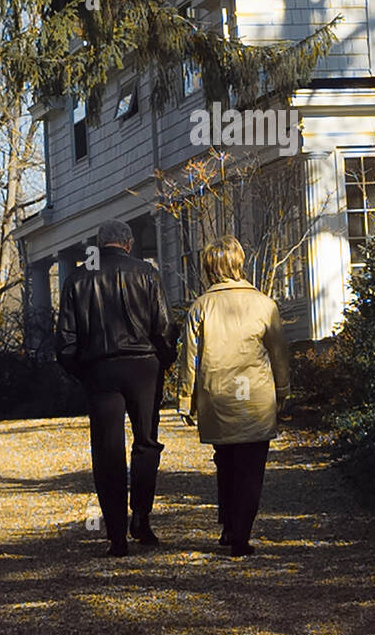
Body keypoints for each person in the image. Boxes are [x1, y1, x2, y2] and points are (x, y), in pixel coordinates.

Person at [56, 219, 176, 557]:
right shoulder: (147, 273)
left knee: (107, 452)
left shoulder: (77, 279)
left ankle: (116, 536)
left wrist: (85, 372)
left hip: (101, 369)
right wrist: (164, 361)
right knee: (147, 443)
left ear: (99, 243)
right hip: (143, 367)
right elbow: (164, 327)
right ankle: (141, 516)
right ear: (128, 243)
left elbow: (65, 341)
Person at [177, 235, 290, 557]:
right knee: (252, 467)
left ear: (210, 267)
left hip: (218, 396)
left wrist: (186, 399)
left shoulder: (200, 306)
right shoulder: (264, 304)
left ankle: (228, 525)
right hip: (254, 396)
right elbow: (279, 353)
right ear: (239, 263)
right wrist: (283, 390)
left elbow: (190, 359)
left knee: (225, 461)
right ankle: (241, 532)